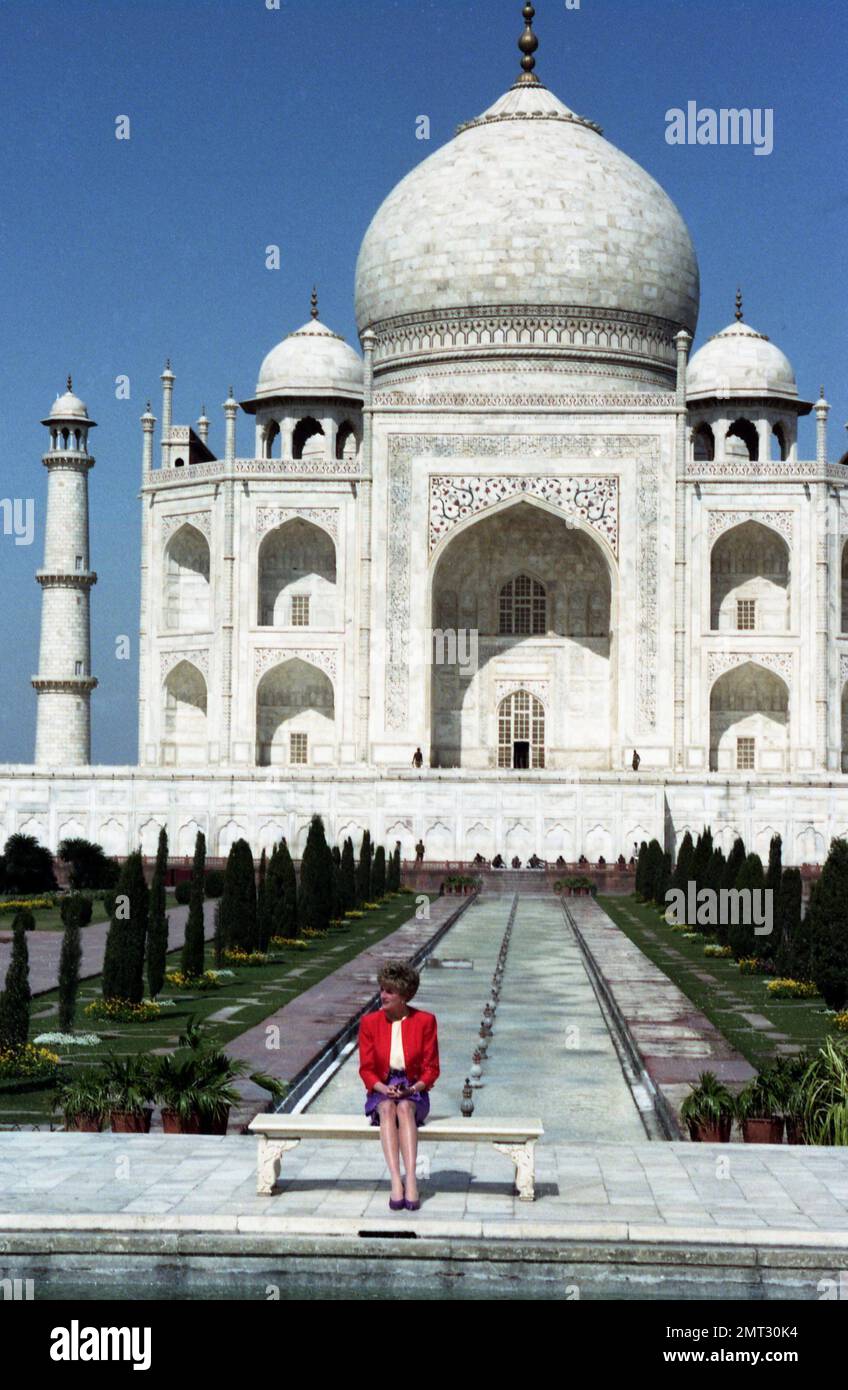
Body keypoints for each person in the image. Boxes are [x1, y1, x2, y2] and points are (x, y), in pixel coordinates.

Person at [358, 961, 440, 1211]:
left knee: (404, 1108)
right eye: (382, 989)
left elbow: (432, 1069)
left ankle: (411, 1179)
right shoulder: (369, 1023)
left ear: (404, 995)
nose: (383, 995)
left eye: (389, 991)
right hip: (381, 1088)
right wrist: (382, 1088)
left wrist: (412, 1089)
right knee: (386, 1109)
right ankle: (396, 1180)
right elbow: (366, 1069)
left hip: (413, 1089)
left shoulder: (425, 1021)